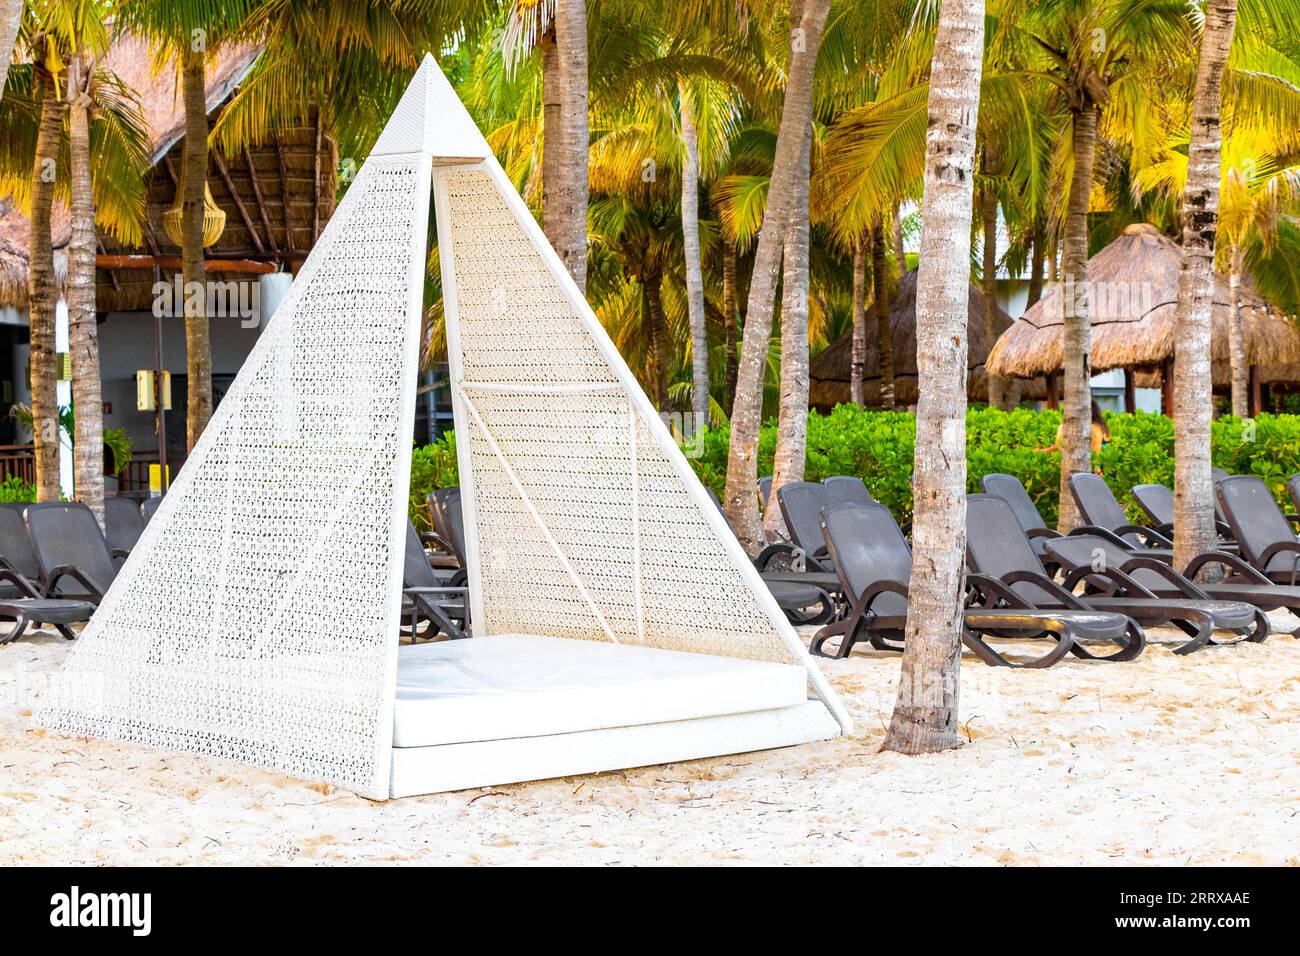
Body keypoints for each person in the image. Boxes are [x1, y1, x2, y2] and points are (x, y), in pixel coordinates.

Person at [1039, 400, 1109, 469]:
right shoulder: (1102, 427)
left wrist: (1040, 451)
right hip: (1101, 468)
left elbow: (1059, 448)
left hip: (1081, 468)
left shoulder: (1069, 427)